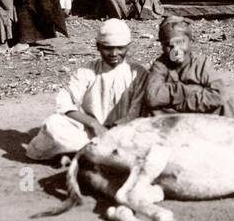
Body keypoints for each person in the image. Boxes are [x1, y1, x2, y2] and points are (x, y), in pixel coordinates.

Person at [24, 18, 146, 161]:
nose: (114, 53)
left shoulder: (138, 73)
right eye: (107, 47)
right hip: (88, 131)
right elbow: (64, 102)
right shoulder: (87, 70)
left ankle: (85, 154)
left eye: (120, 48)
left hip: (122, 133)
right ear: (98, 46)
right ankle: (94, 152)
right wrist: (93, 124)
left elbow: (135, 113)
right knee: (53, 124)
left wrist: (111, 131)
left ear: (128, 46)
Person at [143, 17, 234, 117]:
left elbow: (219, 95)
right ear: (162, 46)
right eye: (169, 45)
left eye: (180, 42)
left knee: (224, 104)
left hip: (201, 114)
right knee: (149, 109)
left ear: (190, 41)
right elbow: (152, 97)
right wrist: (188, 90)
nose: (176, 50)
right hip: (172, 119)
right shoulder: (160, 65)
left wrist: (182, 102)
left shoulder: (201, 63)